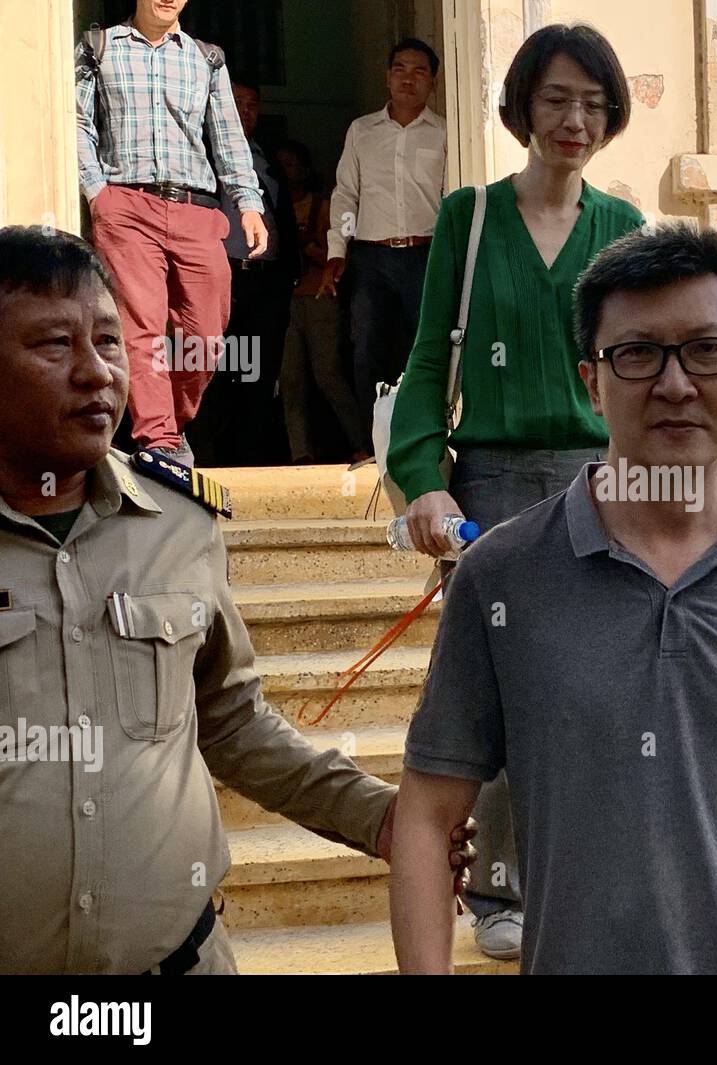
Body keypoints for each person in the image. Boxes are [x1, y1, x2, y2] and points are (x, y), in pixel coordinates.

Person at [388, 223, 717, 975]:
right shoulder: (502, 577)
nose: (676, 383)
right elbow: (426, 814)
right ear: (591, 382)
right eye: (638, 354)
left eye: (708, 350)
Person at [0, 227, 473, 974]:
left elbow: (233, 722)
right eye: (54, 346)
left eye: (110, 342)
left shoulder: (179, 525)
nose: (96, 373)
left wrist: (382, 818)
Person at [386, 23, 644, 959]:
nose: (574, 118)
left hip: (600, 481)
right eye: (556, 99)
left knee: (610, 690)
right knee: (499, 689)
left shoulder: (624, 230)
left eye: (593, 102)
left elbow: (643, 372)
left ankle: (597, 874)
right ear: (522, 109)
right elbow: (426, 362)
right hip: (489, 480)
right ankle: (496, 886)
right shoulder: (471, 216)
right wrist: (422, 480)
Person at [75, 0, 269, 468]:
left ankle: (172, 423)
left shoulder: (206, 58)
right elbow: (78, 122)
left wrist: (249, 202)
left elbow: (227, 136)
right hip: (127, 203)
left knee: (206, 333)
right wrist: (98, 192)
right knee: (141, 326)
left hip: (196, 209)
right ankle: (159, 439)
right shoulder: (101, 46)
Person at [322, 38, 448, 428]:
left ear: (433, 83)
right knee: (366, 348)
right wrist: (336, 250)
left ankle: (423, 433)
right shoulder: (362, 131)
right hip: (371, 257)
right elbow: (346, 194)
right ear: (387, 78)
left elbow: (450, 198)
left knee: (423, 348)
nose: (408, 79)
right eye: (400, 69)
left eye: (419, 71)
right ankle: (371, 438)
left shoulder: (445, 133)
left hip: (425, 255)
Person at [188, 79, 298, 467]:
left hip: (266, 282)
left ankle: (251, 460)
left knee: (260, 372)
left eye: (253, 104)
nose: (246, 111)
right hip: (220, 277)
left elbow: (283, 216)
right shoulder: (200, 153)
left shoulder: (266, 156)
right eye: (237, 102)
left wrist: (290, 276)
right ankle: (209, 460)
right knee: (217, 367)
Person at [276, 141, 371, 465]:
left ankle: (362, 442)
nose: (286, 172)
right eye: (282, 165)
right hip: (287, 301)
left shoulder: (323, 206)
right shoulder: (275, 206)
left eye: (291, 164)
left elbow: (336, 253)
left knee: (328, 376)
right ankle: (299, 453)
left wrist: (305, 245)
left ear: (304, 168)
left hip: (319, 297)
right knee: (290, 380)